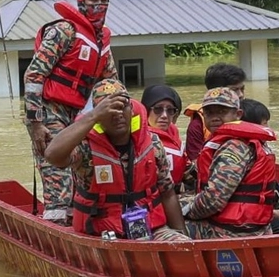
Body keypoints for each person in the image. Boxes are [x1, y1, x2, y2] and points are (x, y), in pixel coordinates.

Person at [44, 79, 188, 241]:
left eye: (122, 107)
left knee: (183, 246)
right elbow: (52, 156)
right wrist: (93, 115)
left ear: (132, 109)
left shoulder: (152, 143)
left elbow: (167, 193)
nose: (118, 114)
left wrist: (182, 235)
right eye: (109, 110)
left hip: (151, 230)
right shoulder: (85, 148)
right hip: (100, 236)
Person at [24, 0, 118, 222]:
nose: (99, 6)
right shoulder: (64, 31)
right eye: (93, 1)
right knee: (57, 171)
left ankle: (86, 219)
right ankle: (56, 224)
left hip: (78, 114)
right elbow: (34, 75)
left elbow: (111, 83)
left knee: (90, 162)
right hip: (48, 111)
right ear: (81, 3)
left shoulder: (101, 42)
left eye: (103, 2)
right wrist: (35, 122)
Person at [183, 88, 278, 239]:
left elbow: (213, 201)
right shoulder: (233, 141)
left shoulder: (234, 147)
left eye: (221, 112)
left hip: (232, 232)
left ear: (238, 115)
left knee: (165, 226)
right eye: (209, 112)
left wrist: (184, 210)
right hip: (249, 226)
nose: (214, 117)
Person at [240, 98, 279, 233]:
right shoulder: (242, 152)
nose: (269, 129)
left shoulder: (262, 148)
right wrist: (274, 214)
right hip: (246, 211)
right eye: (265, 124)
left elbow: (273, 186)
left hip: (262, 204)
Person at [182, 62, 247, 175]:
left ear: (239, 114)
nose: (241, 95)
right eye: (235, 90)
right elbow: (195, 164)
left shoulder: (250, 113)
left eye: (242, 89)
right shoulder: (198, 125)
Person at [140, 85, 186, 186]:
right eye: (158, 109)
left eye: (170, 110)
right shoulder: (141, 141)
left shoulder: (173, 133)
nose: (164, 115)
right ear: (146, 111)